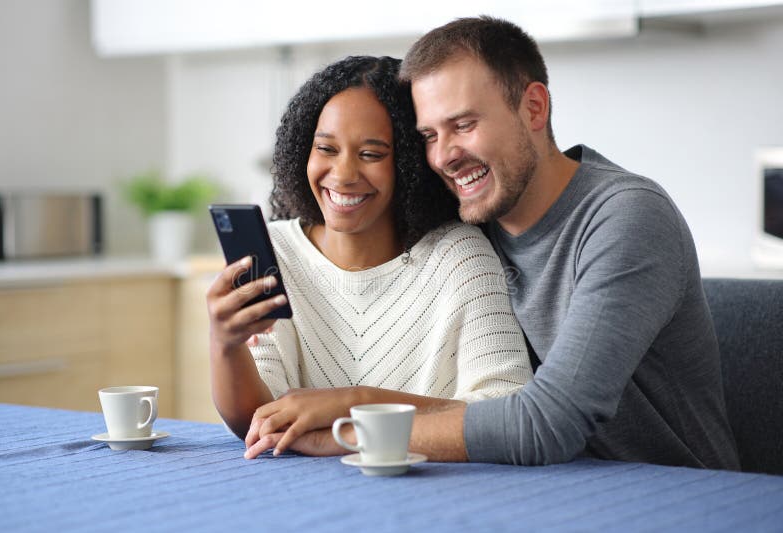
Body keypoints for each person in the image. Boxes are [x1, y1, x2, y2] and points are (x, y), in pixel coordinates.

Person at [262, 18, 740, 470]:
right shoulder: (474, 224)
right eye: (429, 135)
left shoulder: (626, 217)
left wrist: (354, 417)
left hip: (671, 493)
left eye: (464, 125)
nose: (444, 156)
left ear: (534, 107)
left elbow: (548, 422)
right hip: (535, 487)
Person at [206, 55, 533, 459]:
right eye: (326, 148)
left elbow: (506, 412)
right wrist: (225, 344)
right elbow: (260, 421)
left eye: (371, 154)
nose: (342, 174)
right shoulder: (277, 255)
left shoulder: (460, 259)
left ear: (409, 165)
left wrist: (353, 403)